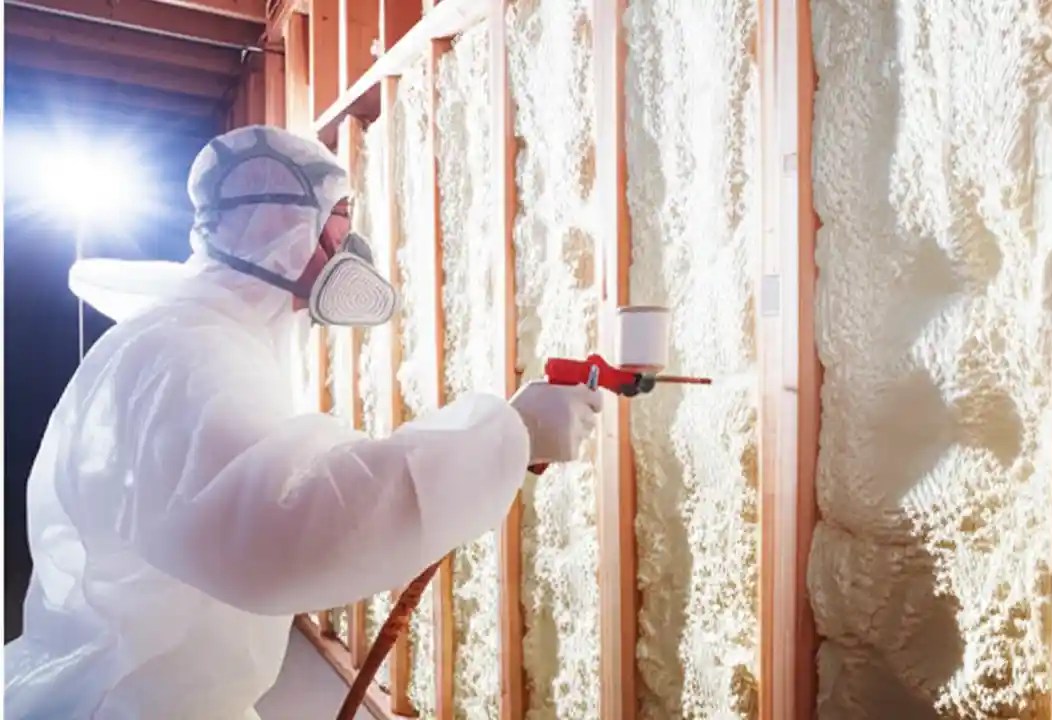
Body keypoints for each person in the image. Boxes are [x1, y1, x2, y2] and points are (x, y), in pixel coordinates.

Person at [3, 125, 602, 719]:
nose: (351, 240)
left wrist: (504, 438)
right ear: (283, 228)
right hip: (132, 702)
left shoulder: (197, 338)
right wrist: (506, 434)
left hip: (152, 688)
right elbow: (282, 522)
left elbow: (274, 481)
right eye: (339, 213)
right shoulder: (188, 354)